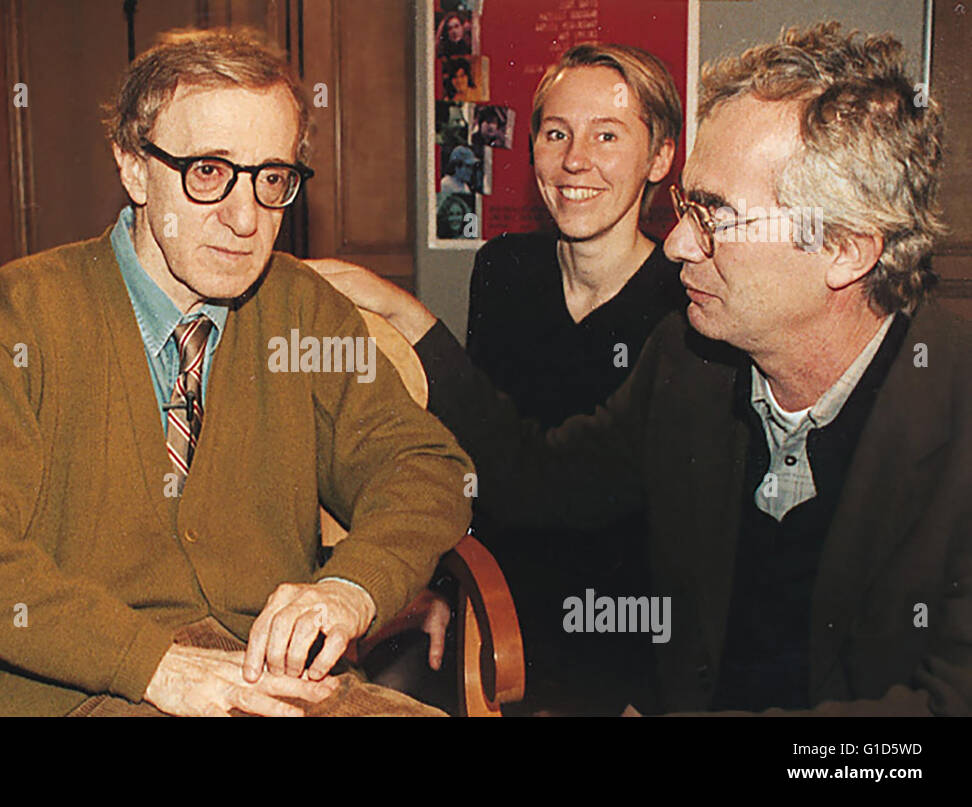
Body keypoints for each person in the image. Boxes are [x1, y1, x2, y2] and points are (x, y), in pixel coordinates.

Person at [324, 22, 971, 715]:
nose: (678, 244)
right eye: (689, 206)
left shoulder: (952, 408)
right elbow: (538, 479)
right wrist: (413, 325)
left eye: (716, 215)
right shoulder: (689, 362)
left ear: (846, 249)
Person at [0, 28, 473, 717]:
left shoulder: (303, 313)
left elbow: (427, 466)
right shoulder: (20, 315)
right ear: (132, 166)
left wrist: (351, 587)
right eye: (208, 172)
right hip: (75, 691)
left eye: (271, 178)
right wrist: (147, 661)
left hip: (276, 689)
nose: (246, 218)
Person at [319, 42, 684, 713]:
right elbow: (467, 459)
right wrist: (435, 585)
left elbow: (569, 487)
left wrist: (408, 314)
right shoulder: (506, 271)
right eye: (555, 133)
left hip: (624, 642)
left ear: (660, 157)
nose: (575, 160)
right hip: (488, 602)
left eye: (607, 134)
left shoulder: (687, 307)